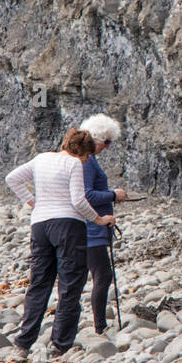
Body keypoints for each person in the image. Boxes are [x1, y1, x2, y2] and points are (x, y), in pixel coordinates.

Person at [5, 128, 115, 361]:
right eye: (87, 156)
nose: (86, 161)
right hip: (68, 226)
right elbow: (78, 200)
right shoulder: (74, 164)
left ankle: (23, 343)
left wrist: (33, 202)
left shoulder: (41, 158)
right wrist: (99, 219)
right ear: (82, 152)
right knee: (69, 284)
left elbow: (12, 178)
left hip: (40, 227)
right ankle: (60, 344)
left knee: (39, 283)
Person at [79, 113, 128, 334]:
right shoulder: (87, 162)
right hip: (92, 228)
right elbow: (87, 195)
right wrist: (112, 195)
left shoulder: (88, 160)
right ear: (96, 139)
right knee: (103, 275)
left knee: (99, 274)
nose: (108, 147)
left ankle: (99, 324)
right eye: (106, 142)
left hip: (94, 227)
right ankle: (100, 327)